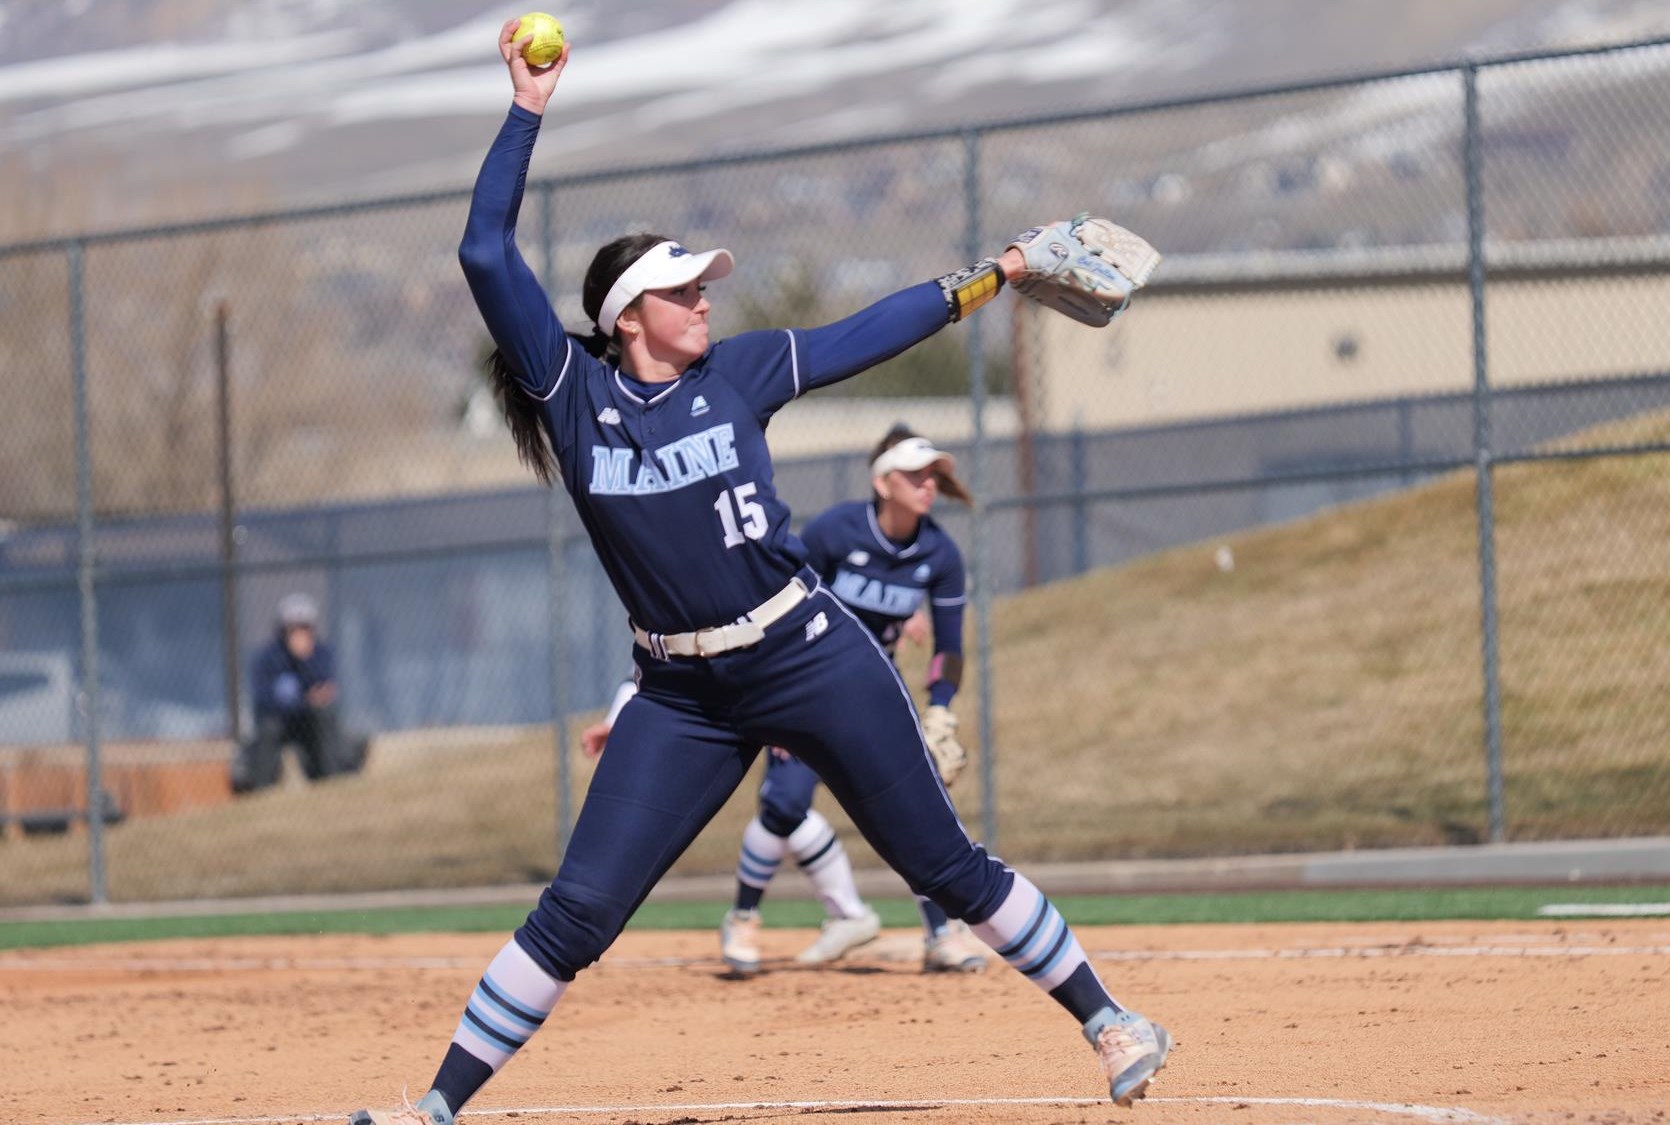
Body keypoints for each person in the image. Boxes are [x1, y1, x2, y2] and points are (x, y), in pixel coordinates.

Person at [349, 21, 1170, 1125]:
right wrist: (527, 109)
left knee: (943, 867)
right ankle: (435, 1107)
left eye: (703, 287)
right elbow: (485, 254)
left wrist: (1003, 272)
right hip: (680, 694)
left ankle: (1111, 1020)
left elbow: (866, 333)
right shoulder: (574, 396)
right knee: (577, 912)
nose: (704, 301)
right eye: (681, 291)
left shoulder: (740, 373)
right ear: (626, 318)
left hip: (806, 654)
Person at [710, 426, 986, 976]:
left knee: (916, 806)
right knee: (784, 803)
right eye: (914, 475)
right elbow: (783, 603)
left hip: (877, 688)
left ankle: (941, 933)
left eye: (932, 475)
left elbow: (950, 648)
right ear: (883, 483)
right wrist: (778, 697)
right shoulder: (836, 531)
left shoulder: (939, 553)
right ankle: (743, 917)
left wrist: (941, 707)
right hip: (807, 681)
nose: (928, 484)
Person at [230, 592, 365, 793]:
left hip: (309, 722)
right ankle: (262, 788)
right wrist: (304, 700)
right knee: (268, 729)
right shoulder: (267, 658)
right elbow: (265, 697)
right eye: (294, 629)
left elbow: (324, 690)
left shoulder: (320, 654)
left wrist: (304, 661)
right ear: (283, 631)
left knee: (325, 716)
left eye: (305, 628)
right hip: (280, 722)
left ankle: (333, 780)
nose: (300, 635)